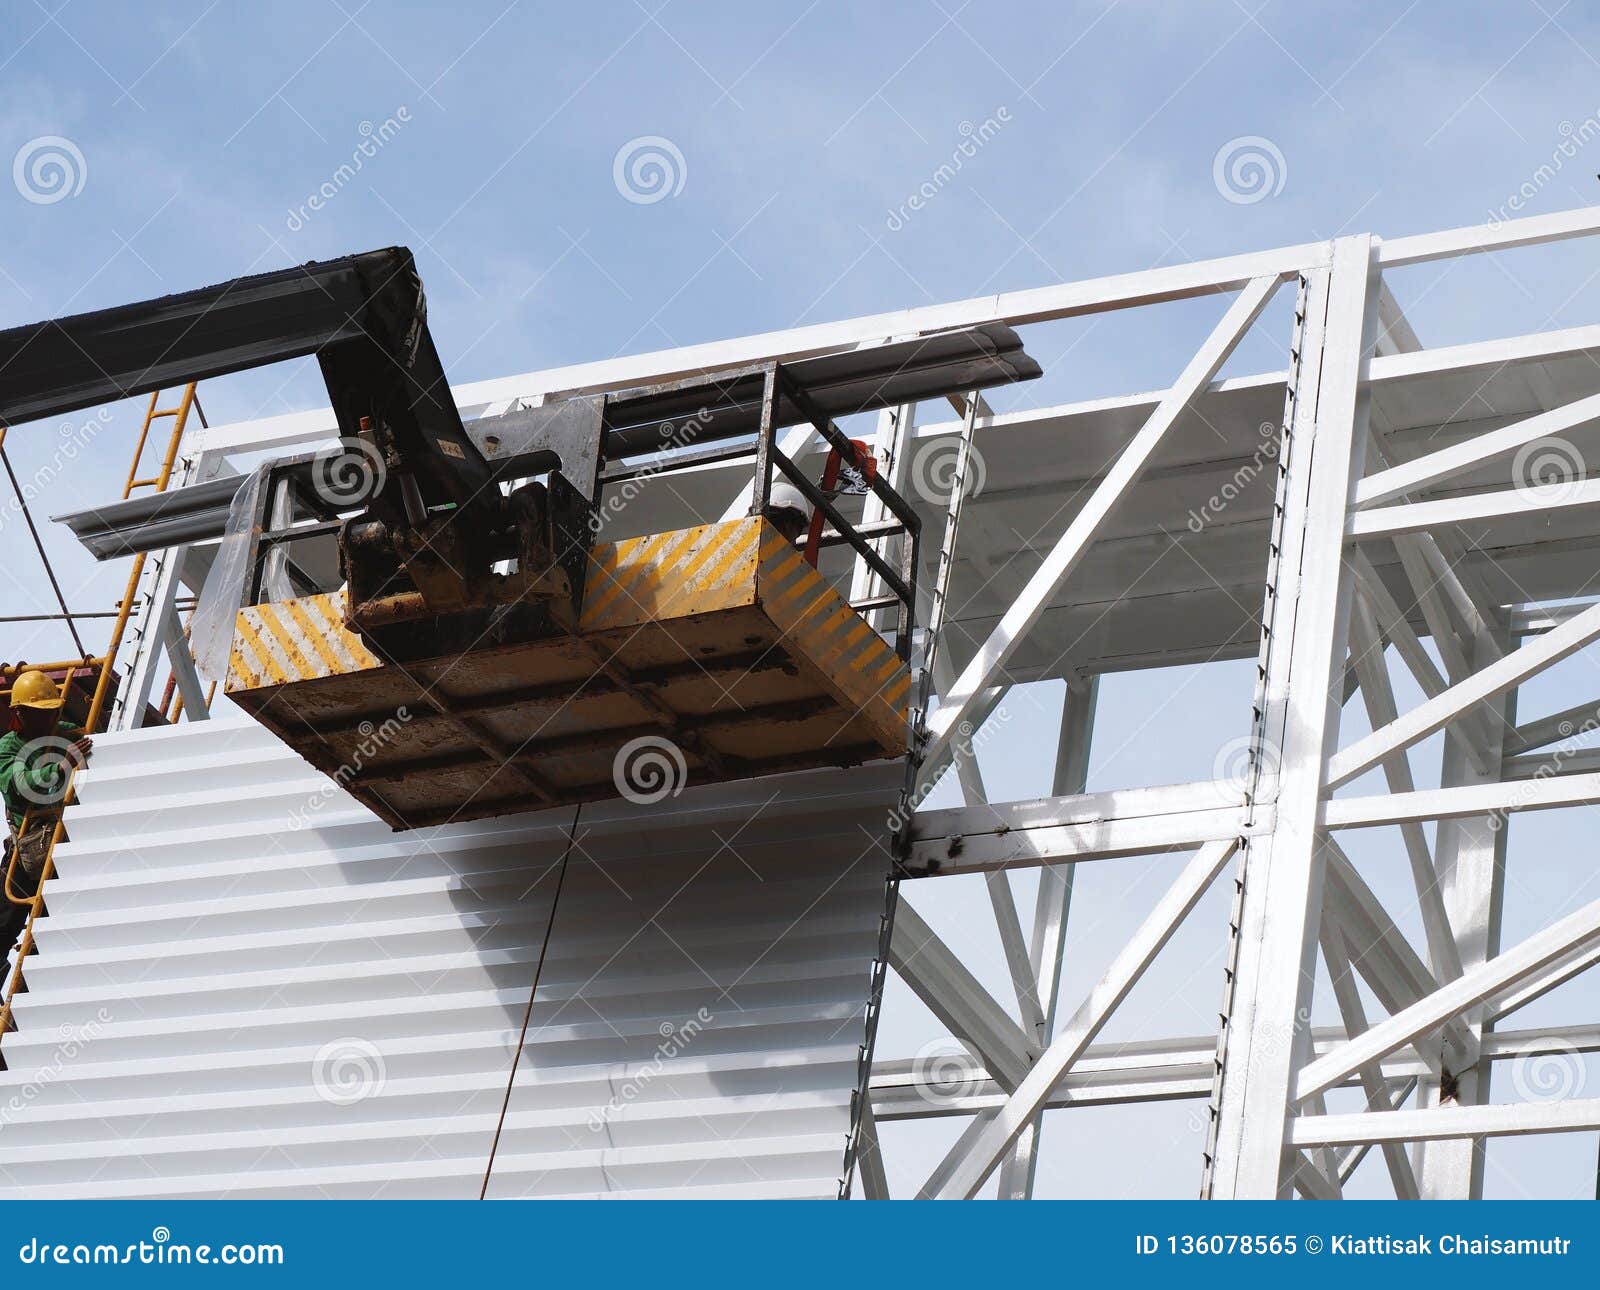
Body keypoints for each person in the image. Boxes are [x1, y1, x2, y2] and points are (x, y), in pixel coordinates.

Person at [0, 670, 91, 957]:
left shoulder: (65, 732)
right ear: (19, 714)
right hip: (26, 849)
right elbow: (19, 787)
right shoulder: (7, 748)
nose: (47, 720)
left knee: (58, 927)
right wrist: (61, 765)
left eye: (50, 713)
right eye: (38, 714)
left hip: (65, 837)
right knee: (3, 926)